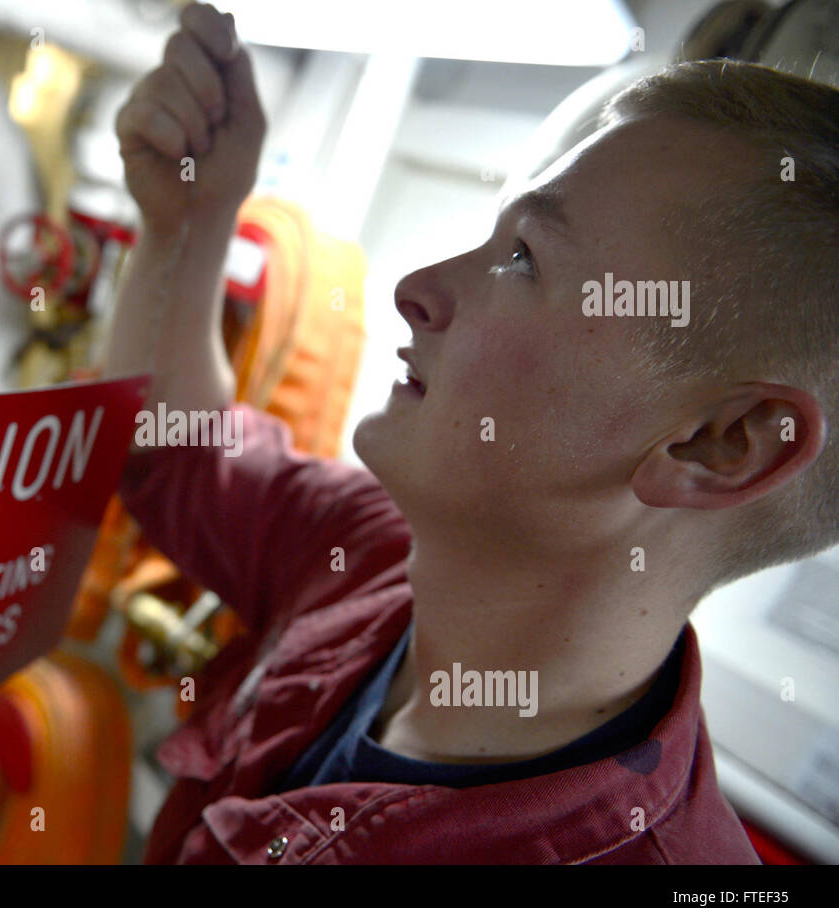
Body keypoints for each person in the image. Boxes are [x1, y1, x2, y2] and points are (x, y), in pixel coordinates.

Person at [105, 2, 838, 864]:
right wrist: (187, 224)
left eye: (525, 257)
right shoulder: (371, 562)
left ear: (721, 442)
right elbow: (180, 452)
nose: (415, 286)